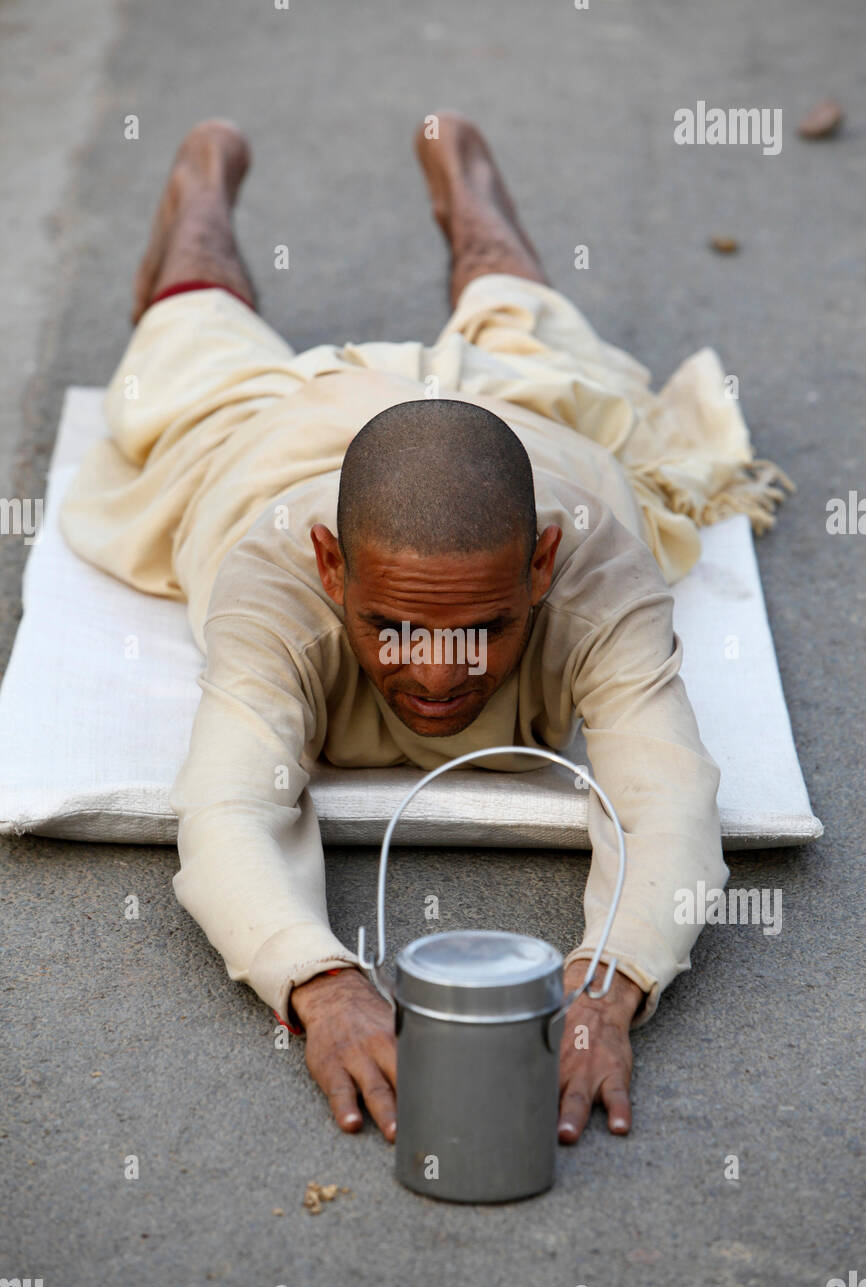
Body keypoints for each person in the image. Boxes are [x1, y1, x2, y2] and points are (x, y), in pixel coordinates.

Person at [59, 112, 793, 1148]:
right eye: (394, 624)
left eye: (485, 628)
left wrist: (608, 990)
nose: (438, 671)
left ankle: (475, 206)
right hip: (275, 436)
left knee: (528, 329)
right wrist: (321, 983)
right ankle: (203, 190)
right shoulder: (275, 572)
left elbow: (663, 789)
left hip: (522, 424)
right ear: (330, 567)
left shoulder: (591, 565)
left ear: (538, 565)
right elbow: (227, 803)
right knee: (184, 331)